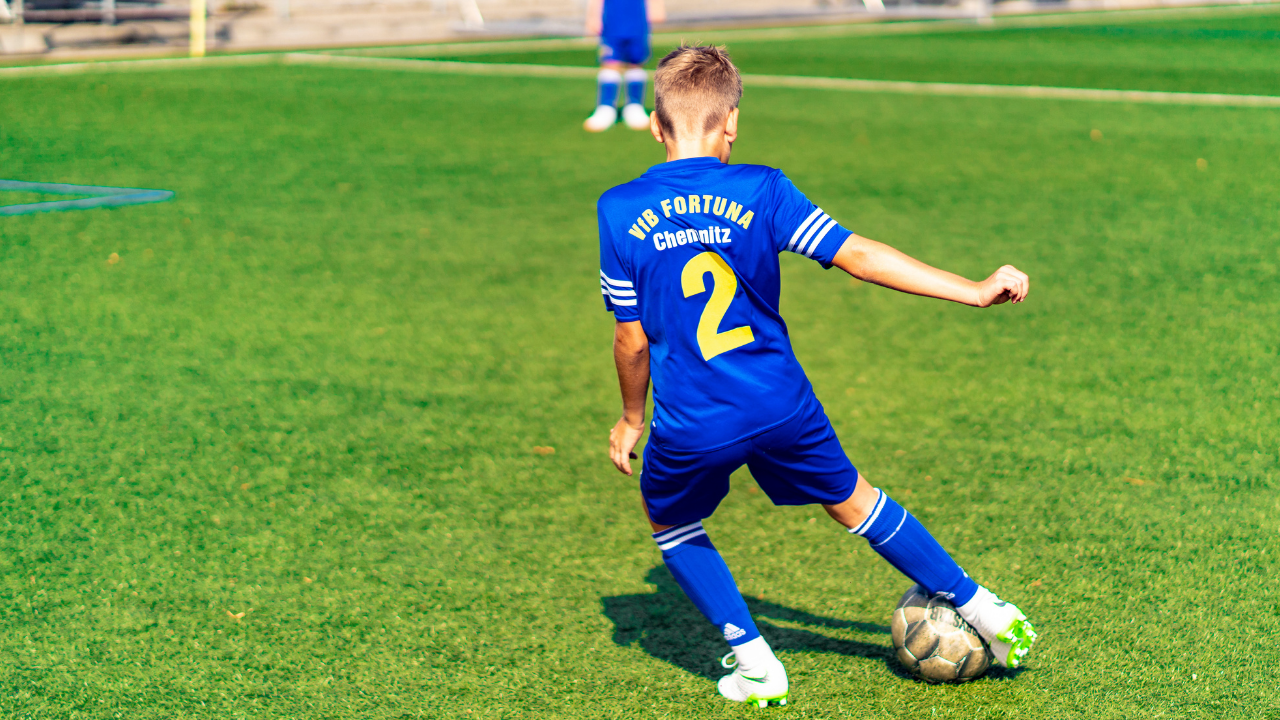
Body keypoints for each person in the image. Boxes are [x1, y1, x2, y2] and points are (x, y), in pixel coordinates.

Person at [597, 45, 1038, 707]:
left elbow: (630, 338)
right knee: (855, 501)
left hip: (694, 418)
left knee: (671, 521)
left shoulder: (619, 209)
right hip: (780, 404)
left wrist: (634, 418)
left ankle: (755, 664)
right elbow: (859, 255)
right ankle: (983, 606)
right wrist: (973, 291)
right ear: (733, 122)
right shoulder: (762, 188)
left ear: (656, 126)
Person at [583, 0, 666, 132]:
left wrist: (657, 6)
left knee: (636, 62)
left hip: (637, 16)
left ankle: (634, 106)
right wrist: (593, 16)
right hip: (611, 17)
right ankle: (606, 107)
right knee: (610, 62)